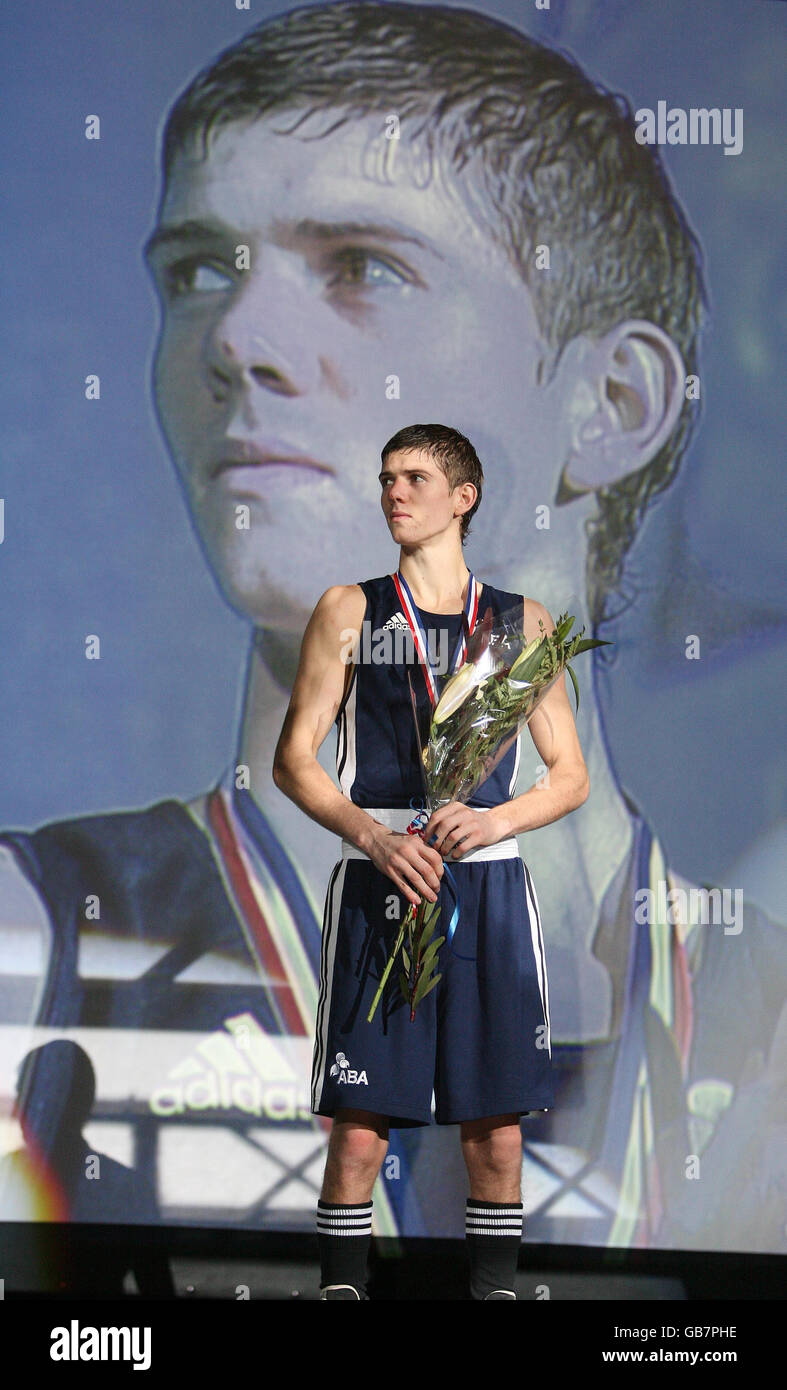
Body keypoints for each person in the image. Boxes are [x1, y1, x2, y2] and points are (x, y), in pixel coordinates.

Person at [2, 1, 784, 1255]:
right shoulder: (30, 946)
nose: (235, 340)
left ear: (613, 403)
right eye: (200, 270)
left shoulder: (769, 1023)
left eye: (363, 268)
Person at [272, 422, 590, 1299]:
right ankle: (339, 1290)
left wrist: (496, 822)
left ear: (464, 496)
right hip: (382, 876)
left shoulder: (517, 622)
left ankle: (494, 1293)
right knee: (362, 1125)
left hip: (485, 885)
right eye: (384, 479)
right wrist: (373, 838)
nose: (392, 493)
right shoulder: (349, 609)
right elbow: (294, 756)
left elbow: (569, 777)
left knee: (495, 1129)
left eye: (413, 477)